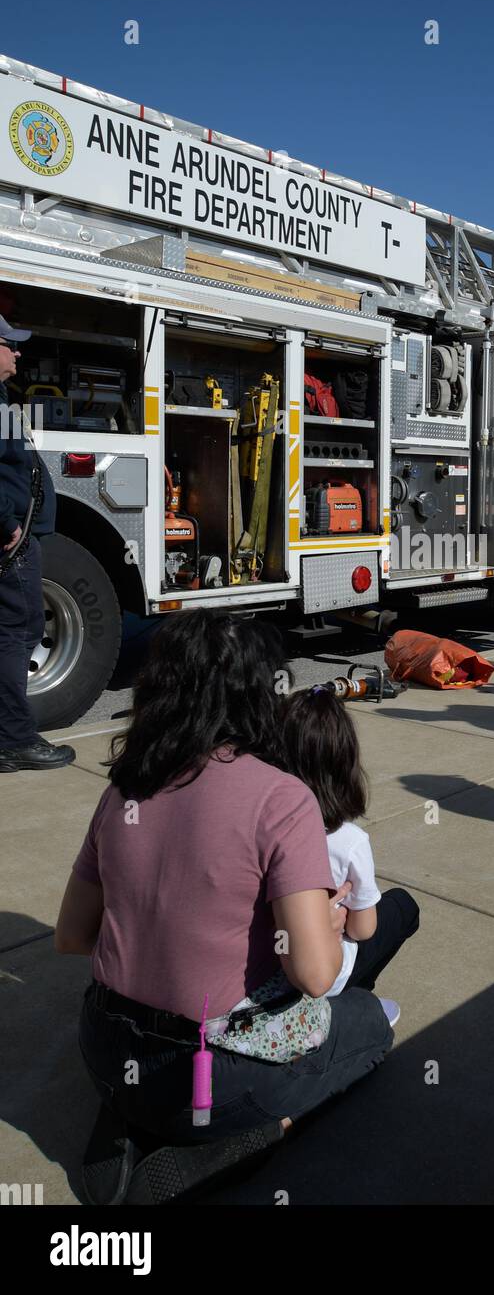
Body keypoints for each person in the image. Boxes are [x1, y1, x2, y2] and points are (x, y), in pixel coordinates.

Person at [56, 611, 415, 1197]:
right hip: (208, 1077)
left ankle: (129, 1119)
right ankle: (230, 1147)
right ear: (260, 693)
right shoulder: (281, 798)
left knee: (152, 1066)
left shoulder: (123, 788)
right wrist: (323, 923)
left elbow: (71, 936)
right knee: (371, 1030)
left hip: (105, 1047)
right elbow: (316, 975)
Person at [281, 685, 418, 1022]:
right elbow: (361, 930)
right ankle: (355, 999)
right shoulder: (350, 841)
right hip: (324, 969)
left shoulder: (267, 827)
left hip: (274, 963)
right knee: (403, 907)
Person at [0, 315, 74, 772]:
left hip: (17, 532)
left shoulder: (4, 398)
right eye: (10, 344)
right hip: (10, 540)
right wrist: (5, 522)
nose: (18, 352)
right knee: (17, 632)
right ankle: (14, 740)